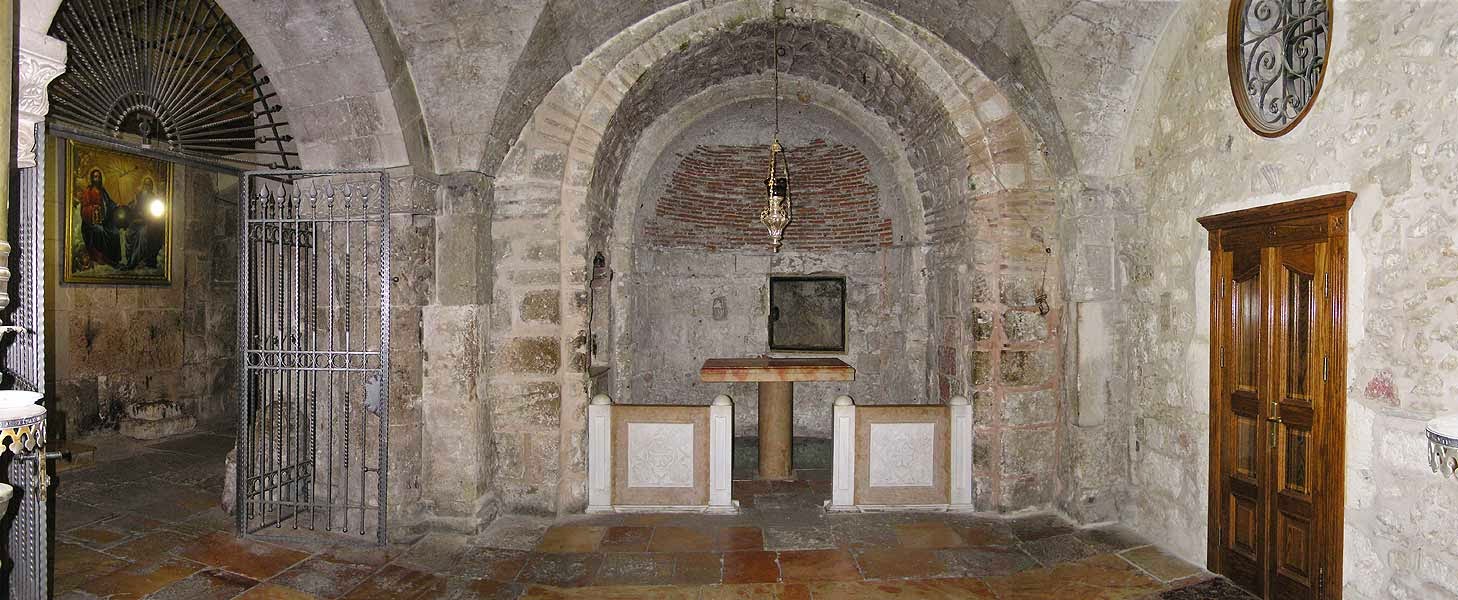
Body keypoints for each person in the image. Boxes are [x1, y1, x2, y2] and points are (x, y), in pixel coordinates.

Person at [77, 168, 122, 267]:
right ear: (92, 178)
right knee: (100, 231)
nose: (97, 179)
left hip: (104, 221)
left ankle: (114, 259)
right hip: (90, 224)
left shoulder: (103, 191)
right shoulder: (88, 191)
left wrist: (116, 205)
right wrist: (94, 209)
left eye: (98, 177)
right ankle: (103, 258)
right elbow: (84, 209)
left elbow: (109, 203)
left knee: (115, 232)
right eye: (95, 177)